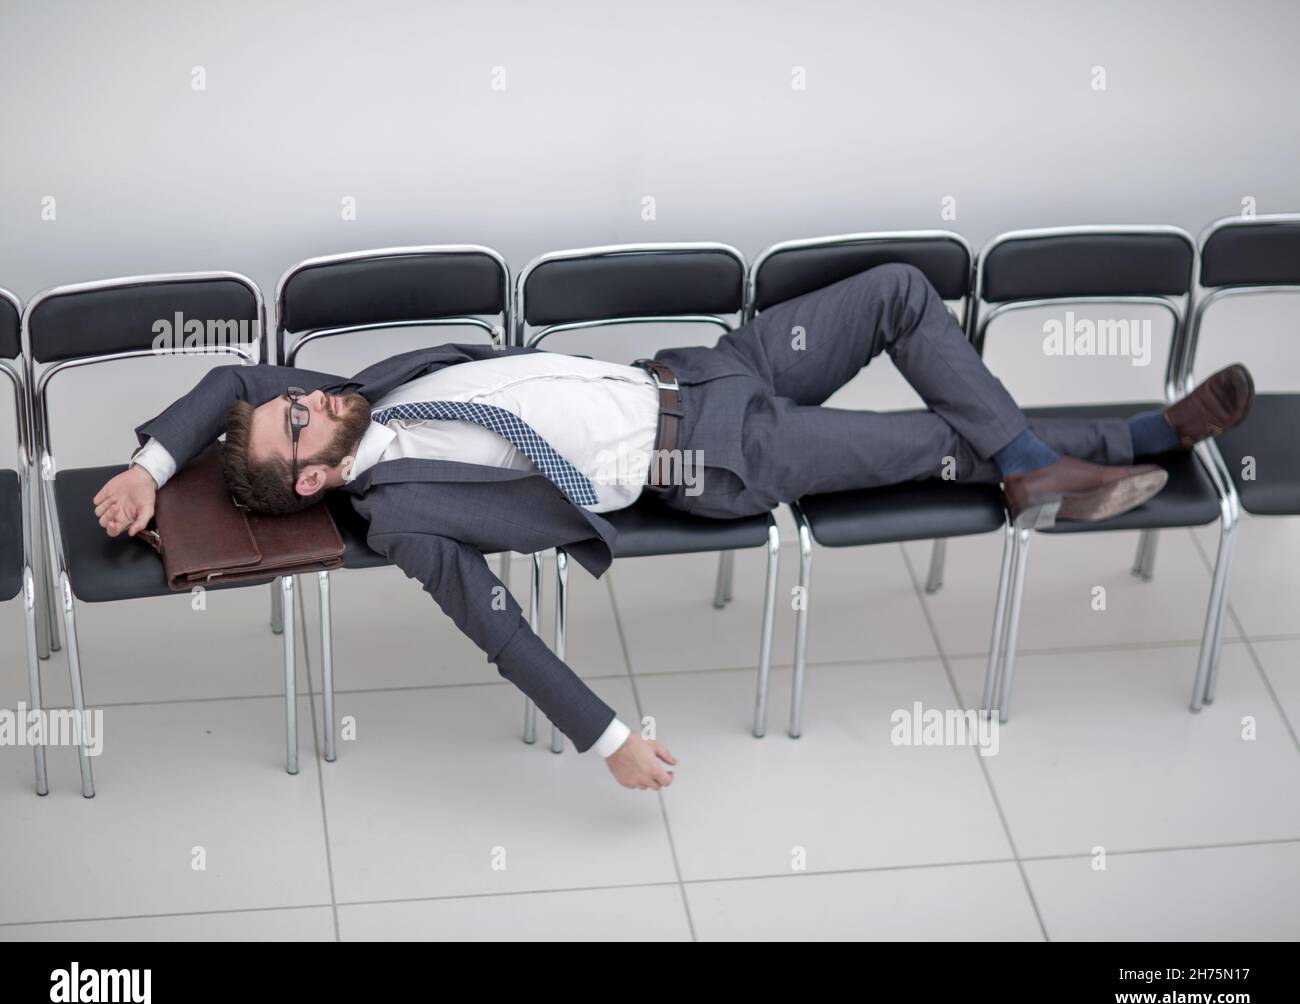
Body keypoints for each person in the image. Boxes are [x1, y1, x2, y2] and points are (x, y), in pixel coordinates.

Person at [91, 264, 1255, 790]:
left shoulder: (364, 392)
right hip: (702, 456)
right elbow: (504, 635)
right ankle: (1135, 440)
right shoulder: (403, 521)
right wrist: (608, 744)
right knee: (929, 445)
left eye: (296, 398)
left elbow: (231, 377)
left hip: (701, 370)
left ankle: (1035, 470)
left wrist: (150, 465)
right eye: (299, 421)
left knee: (901, 290)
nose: (306, 394)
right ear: (310, 484)